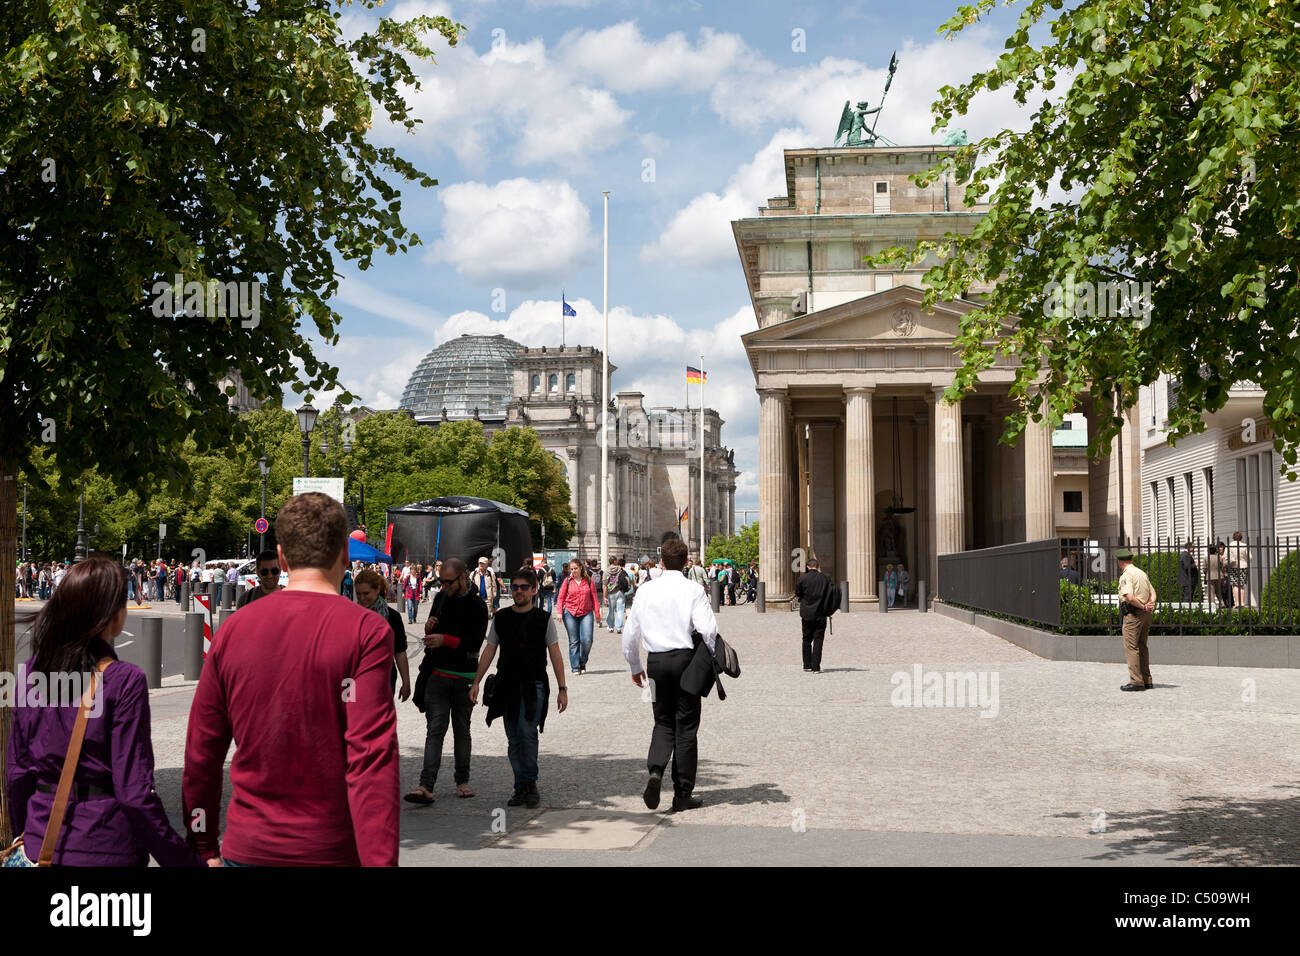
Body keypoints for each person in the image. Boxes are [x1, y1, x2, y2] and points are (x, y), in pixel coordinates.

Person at [183, 492, 400, 866]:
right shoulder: (366, 630)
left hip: (248, 846)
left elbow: (202, 751)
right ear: (345, 556)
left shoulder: (234, 630)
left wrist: (202, 846)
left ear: (282, 557)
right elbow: (371, 759)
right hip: (331, 848)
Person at [6, 556, 206, 867]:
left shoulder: (32, 674)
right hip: (106, 847)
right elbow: (134, 794)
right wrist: (184, 861)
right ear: (111, 616)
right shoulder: (123, 681)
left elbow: (17, 774)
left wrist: (27, 832)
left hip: (40, 845)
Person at [622, 536, 719, 813]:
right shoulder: (694, 590)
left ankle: (655, 772)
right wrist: (710, 657)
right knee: (686, 726)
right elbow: (709, 631)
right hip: (686, 661)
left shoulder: (645, 591)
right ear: (686, 561)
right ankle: (682, 793)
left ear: (661, 561)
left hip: (656, 663)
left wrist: (634, 666)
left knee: (662, 721)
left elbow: (630, 634)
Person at [470, 567, 568, 809]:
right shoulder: (501, 618)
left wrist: (562, 688)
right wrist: (476, 682)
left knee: (527, 732)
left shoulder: (544, 620)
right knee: (513, 738)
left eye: (524, 587)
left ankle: (530, 783)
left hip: (534, 684)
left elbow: (555, 654)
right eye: (515, 587)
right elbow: (490, 650)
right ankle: (520, 784)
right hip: (506, 684)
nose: (519, 591)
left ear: (535, 590)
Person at [406, 557, 488, 805]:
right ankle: (425, 786)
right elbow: (431, 634)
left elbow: (474, 643)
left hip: (463, 676)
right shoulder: (441, 598)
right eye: (441, 582)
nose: (444, 587)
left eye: (449, 582)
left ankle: (462, 781)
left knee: (462, 731)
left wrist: (445, 640)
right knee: (435, 731)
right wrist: (429, 629)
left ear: (463, 577)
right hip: (437, 675)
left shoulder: (477, 605)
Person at [355, 569, 410, 702]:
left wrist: (406, 682)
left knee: (379, 719)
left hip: (384, 677)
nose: (362, 598)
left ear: (378, 589)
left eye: (366, 593)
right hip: (353, 677)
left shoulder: (393, 617)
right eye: (358, 594)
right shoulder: (351, 615)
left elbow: (400, 651)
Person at [1115, 547, 1156, 692]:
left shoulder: (1126, 576)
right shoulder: (1141, 573)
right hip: (1145, 614)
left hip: (1134, 614)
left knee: (1131, 647)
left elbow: (1130, 597)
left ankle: (1136, 681)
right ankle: (1147, 680)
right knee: (1142, 646)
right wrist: (1149, 605)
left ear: (1120, 562)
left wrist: (1143, 607)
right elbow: (1153, 592)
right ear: (1131, 560)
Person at [555, 559, 601, 676]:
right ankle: (575, 667)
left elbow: (595, 599)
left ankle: (582, 661)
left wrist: (597, 614)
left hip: (586, 612)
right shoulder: (567, 581)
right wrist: (559, 612)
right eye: (571, 569)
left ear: (581, 567)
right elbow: (560, 598)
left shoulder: (589, 581)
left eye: (575, 568)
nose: (573, 571)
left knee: (587, 640)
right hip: (570, 613)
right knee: (574, 641)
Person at [794, 557, 833, 673]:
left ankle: (807, 665)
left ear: (807, 566)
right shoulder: (825, 578)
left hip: (806, 613)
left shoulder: (802, 578)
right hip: (821, 613)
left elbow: (798, 593)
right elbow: (830, 593)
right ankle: (816, 667)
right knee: (818, 640)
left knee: (806, 639)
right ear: (817, 566)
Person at [606, 556, 630, 634]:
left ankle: (610, 627)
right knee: (620, 610)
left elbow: (604, 584)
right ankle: (619, 627)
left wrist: (604, 595)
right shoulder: (620, 570)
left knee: (611, 610)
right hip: (620, 592)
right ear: (615, 561)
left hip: (611, 593)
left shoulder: (606, 571)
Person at [1228, 531, 1250, 608]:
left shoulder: (1230, 545)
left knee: (1235, 585)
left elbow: (1226, 556)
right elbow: (1250, 557)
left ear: (1233, 537)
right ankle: (1242, 603)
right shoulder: (1244, 545)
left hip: (1233, 566)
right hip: (1243, 566)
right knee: (1242, 585)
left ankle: (1237, 603)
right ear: (1241, 538)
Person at [1204, 543, 1223, 610]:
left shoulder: (1206, 558)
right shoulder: (1219, 557)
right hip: (1218, 575)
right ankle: (1222, 603)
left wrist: (1205, 573)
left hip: (1210, 576)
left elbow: (1204, 568)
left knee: (1211, 591)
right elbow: (1221, 566)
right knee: (1218, 591)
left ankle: (1212, 604)